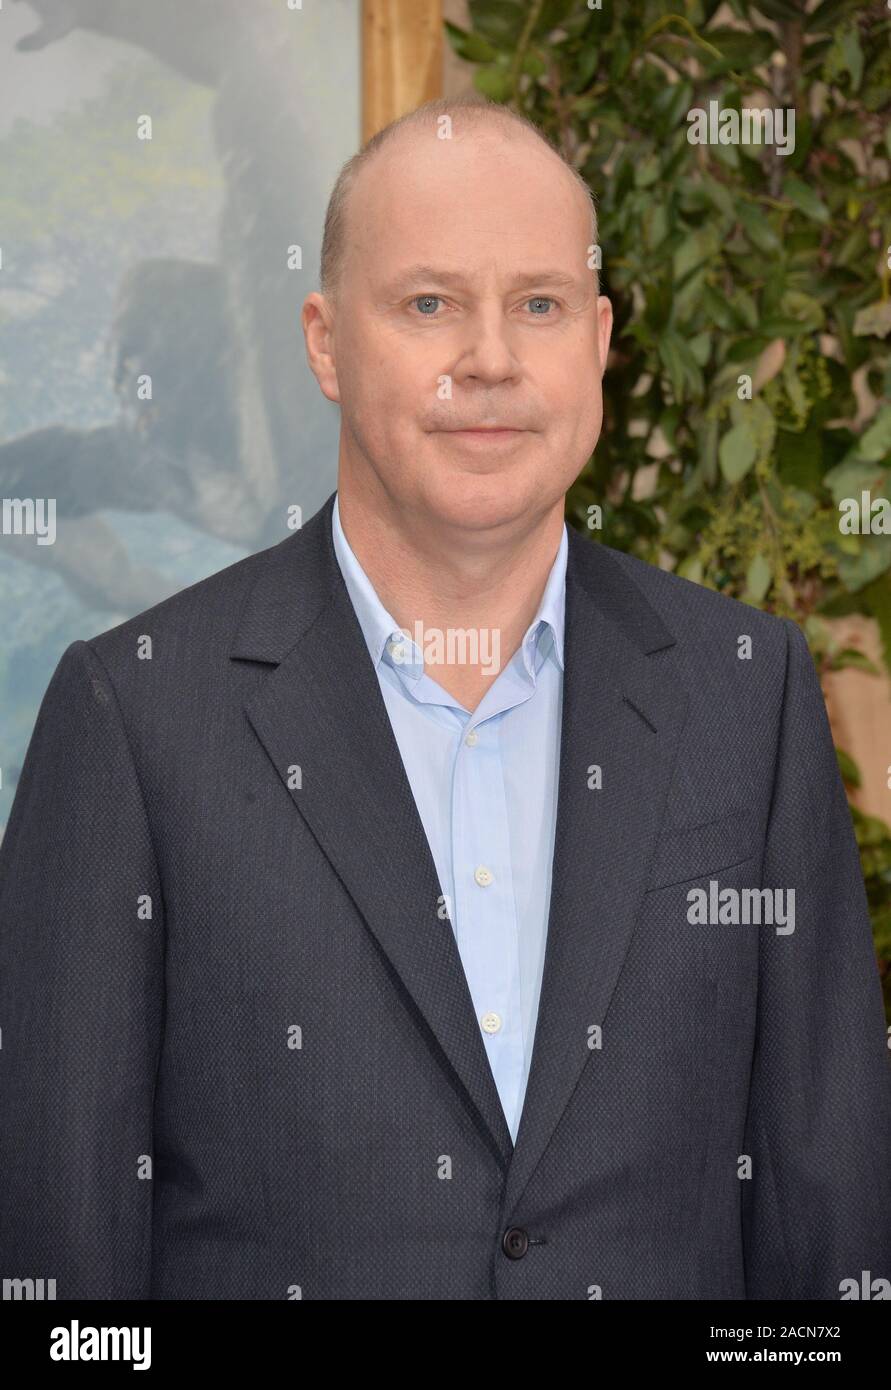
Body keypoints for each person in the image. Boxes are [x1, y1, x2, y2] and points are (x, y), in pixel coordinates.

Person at [1, 95, 888, 1301]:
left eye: (540, 304)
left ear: (601, 339)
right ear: (324, 342)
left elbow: (828, 1217)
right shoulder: (131, 717)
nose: (491, 358)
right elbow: (61, 1279)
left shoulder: (752, 694)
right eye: (429, 304)